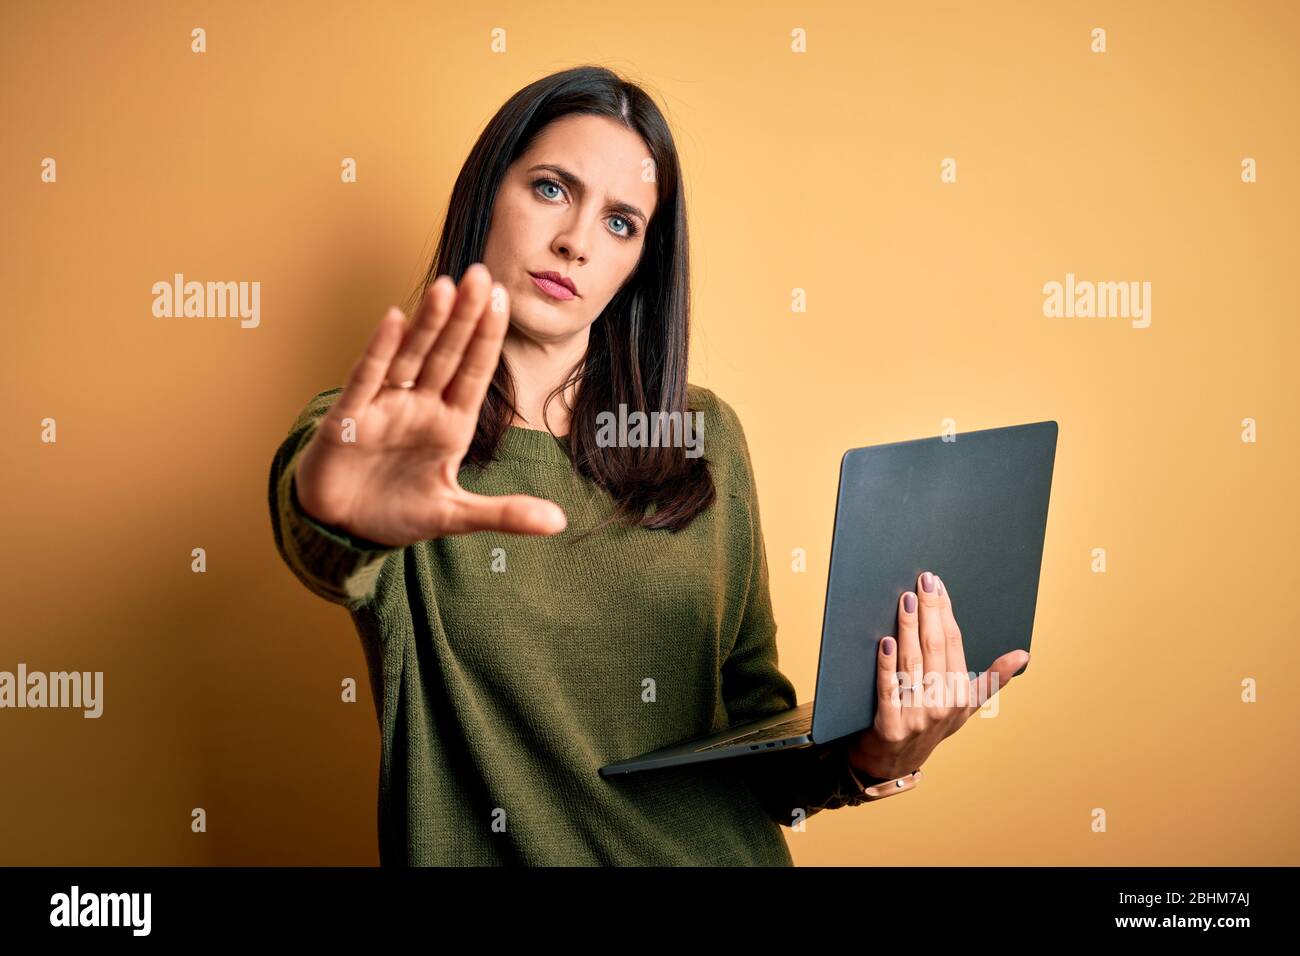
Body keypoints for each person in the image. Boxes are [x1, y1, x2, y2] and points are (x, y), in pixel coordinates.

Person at [267, 65, 1029, 866]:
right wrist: (334, 514)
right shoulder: (383, 438)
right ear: (488, 193)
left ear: (642, 263)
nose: (577, 242)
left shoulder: (702, 436)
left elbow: (760, 748)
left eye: (622, 223)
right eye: (553, 189)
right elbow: (321, 538)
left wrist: (876, 759)